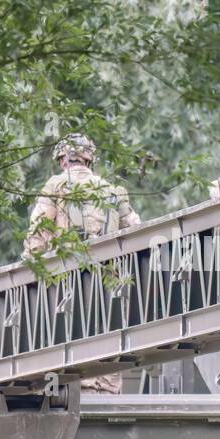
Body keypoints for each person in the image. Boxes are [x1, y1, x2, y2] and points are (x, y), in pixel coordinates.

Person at [24, 133, 141, 394]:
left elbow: (37, 236)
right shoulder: (112, 190)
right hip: (109, 281)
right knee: (109, 333)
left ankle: (75, 388)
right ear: (90, 159)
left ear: (63, 159)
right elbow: (137, 232)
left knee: (69, 334)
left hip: (68, 281)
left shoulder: (56, 186)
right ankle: (108, 390)